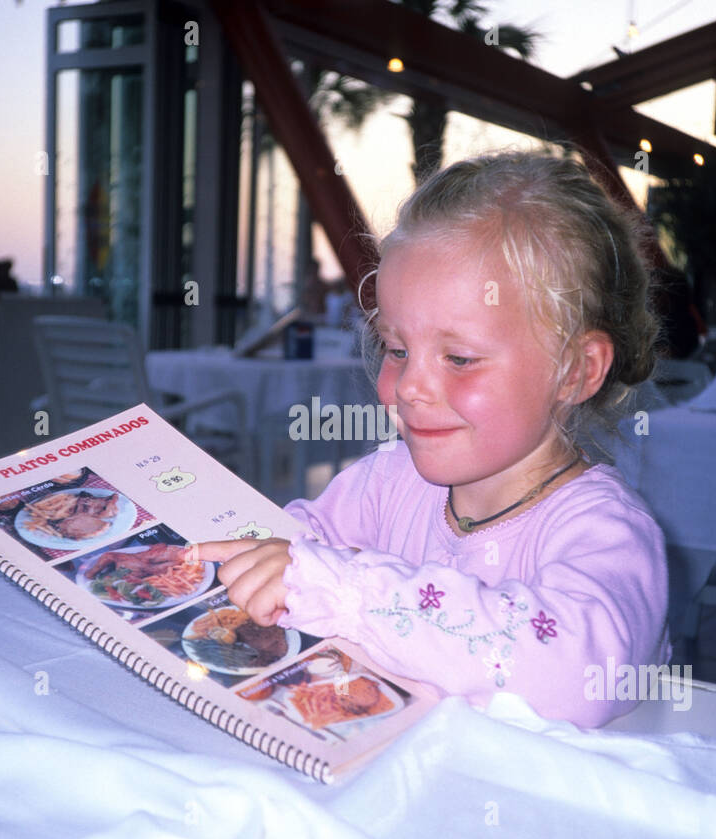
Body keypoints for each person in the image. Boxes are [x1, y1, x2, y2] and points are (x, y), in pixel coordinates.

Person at [194, 150, 669, 727]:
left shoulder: (605, 533)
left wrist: (344, 588)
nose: (409, 386)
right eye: (397, 349)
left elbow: (576, 678)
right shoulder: (385, 483)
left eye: (460, 358)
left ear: (574, 370)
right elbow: (296, 545)